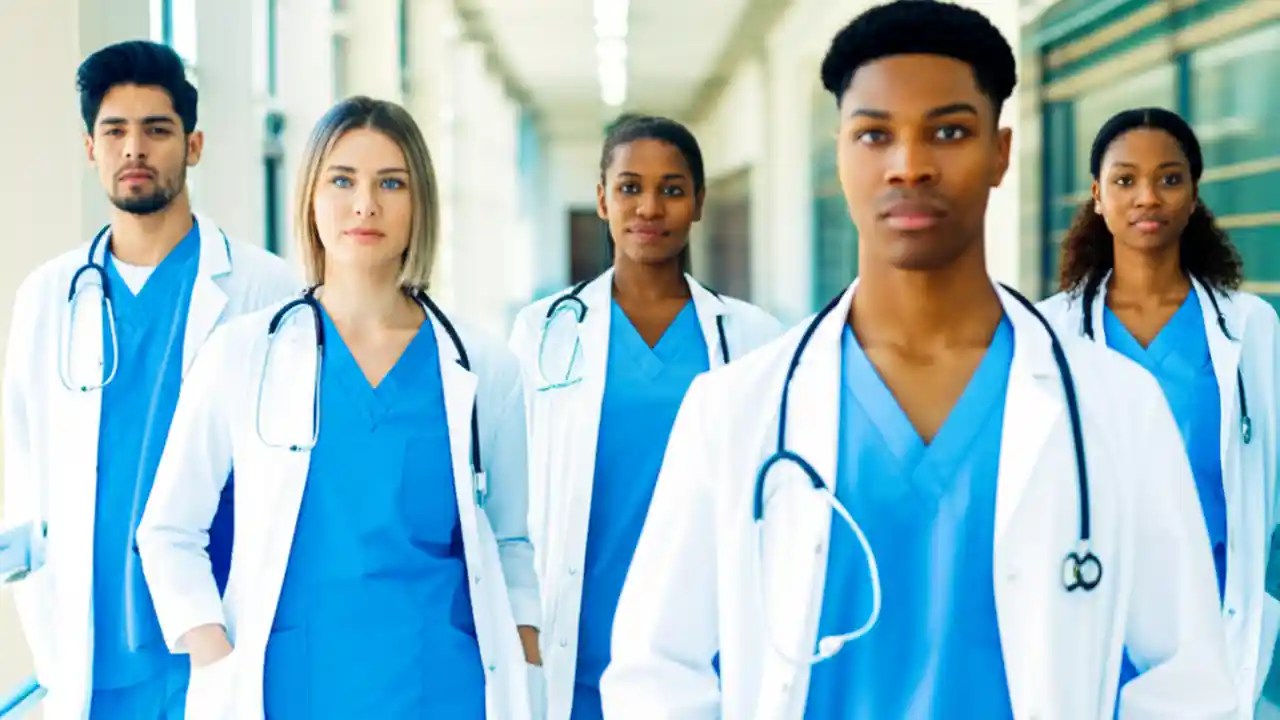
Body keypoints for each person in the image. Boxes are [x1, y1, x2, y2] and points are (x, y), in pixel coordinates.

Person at [598, 2, 1238, 718]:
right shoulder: (735, 407)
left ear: (1000, 153)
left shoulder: (1115, 406)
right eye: (875, 134)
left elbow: (1187, 681)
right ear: (841, 153)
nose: (909, 164)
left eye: (949, 131)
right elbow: (657, 673)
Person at [134, 96, 541, 720]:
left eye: (391, 183)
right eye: (343, 179)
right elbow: (167, 529)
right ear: (311, 196)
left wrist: (528, 667)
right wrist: (213, 654)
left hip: (444, 688)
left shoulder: (481, 366)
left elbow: (511, 541)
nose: (365, 204)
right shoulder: (243, 353)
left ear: (420, 204)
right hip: (293, 689)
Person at [1, 40, 298, 719]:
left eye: (157, 130)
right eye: (115, 131)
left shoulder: (263, 289)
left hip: (215, 635)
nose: (134, 148)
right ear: (90, 149)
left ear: (193, 146)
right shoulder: (48, 297)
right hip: (89, 644)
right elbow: (22, 468)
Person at [506, 113, 782, 720]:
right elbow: (511, 501)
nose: (650, 207)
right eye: (630, 187)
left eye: (672, 189)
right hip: (578, 645)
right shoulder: (542, 332)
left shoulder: (754, 339)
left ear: (699, 203)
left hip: (706, 654)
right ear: (602, 200)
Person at [1039, 106, 1280, 714]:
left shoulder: (1249, 327)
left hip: (1213, 608)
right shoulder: (1047, 332)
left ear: (1194, 195)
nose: (1148, 196)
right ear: (1097, 196)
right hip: (1091, 601)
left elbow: (1268, 481)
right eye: (1125, 180)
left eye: (1169, 179)